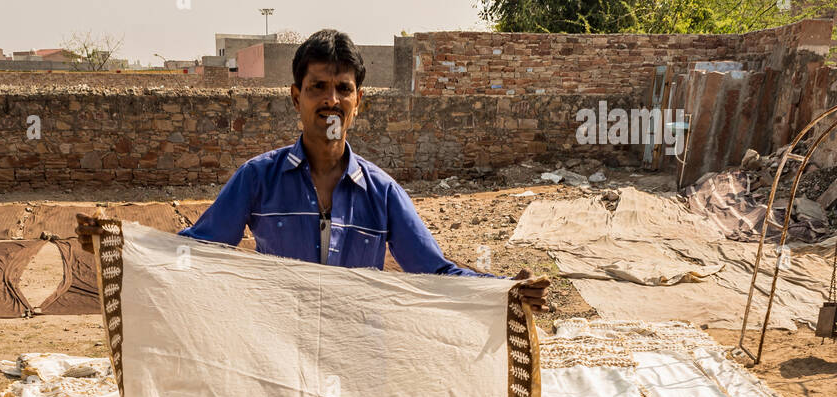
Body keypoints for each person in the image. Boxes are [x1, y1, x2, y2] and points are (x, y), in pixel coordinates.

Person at [77, 29, 550, 310]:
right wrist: (121, 244)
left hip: (357, 352)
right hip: (280, 351)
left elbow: (434, 270)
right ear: (295, 96)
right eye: (318, 87)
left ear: (358, 101)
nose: (331, 101)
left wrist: (506, 290)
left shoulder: (381, 193)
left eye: (343, 89)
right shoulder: (259, 179)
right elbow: (196, 251)